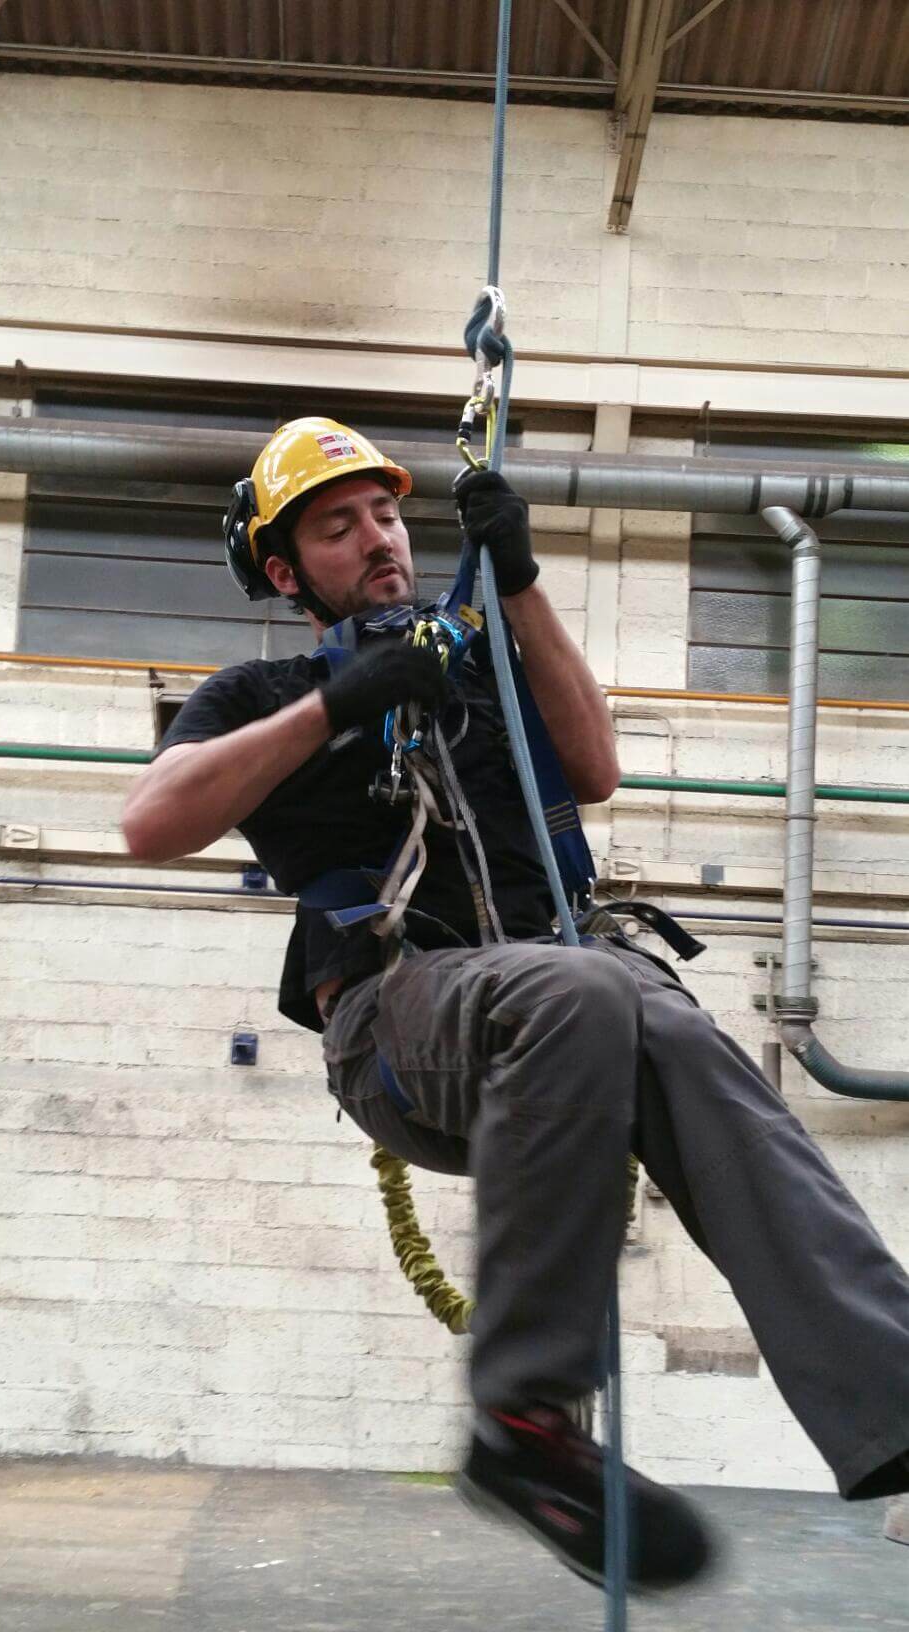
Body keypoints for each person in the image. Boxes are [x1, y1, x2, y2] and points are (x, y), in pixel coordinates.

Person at [123, 417, 909, 1593]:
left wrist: (523, 580)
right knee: (586, 987)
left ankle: (896, 1405)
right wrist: (337, 703)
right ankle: (525, 1418)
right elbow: (153, 822)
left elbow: (593, 769)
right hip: (399, 1024)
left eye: (386, 515)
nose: (379, 540)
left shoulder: (474, 672)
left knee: (675, 1028)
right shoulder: (264, 693)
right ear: (286, 573)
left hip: (557, 1011)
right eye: (337, 529)